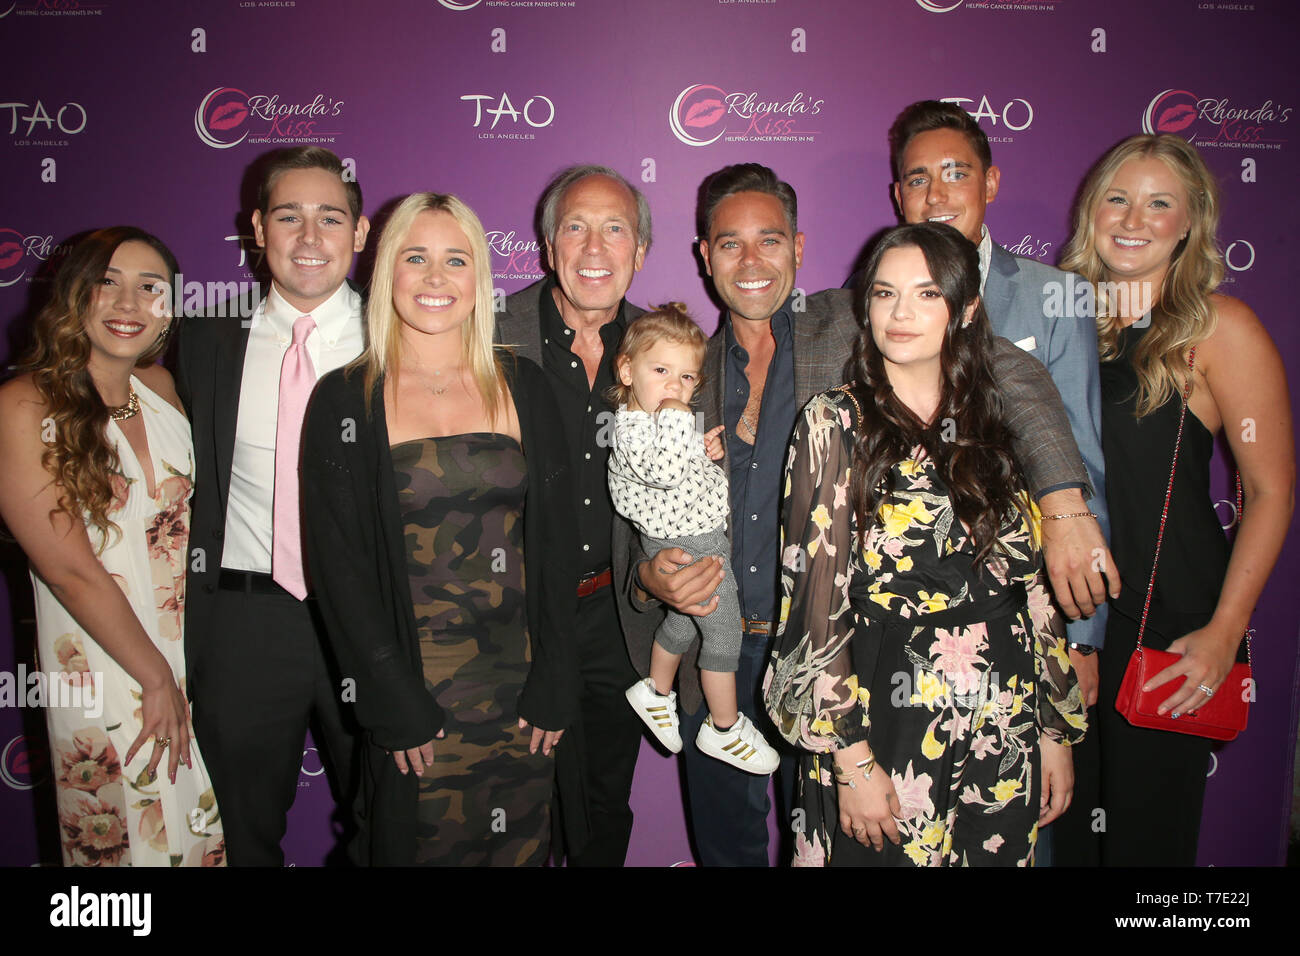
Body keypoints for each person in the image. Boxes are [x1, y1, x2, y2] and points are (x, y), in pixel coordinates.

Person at [632, 163, 1108, 866]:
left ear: (800, 248)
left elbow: (1006, 370)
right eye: (728, 243)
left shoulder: (852, 319)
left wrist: (1066, 504)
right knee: (729, 850)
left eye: (771, 240)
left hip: (849, 651)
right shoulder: (674, 368)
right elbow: (630, 500)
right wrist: (649, 575)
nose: (751, 260)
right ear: (703, 256)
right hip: (726, 653)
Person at [767, 222, 1086, 866]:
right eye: (884, 294)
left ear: (966, 309)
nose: (901, 313)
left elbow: (1033, 586)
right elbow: (812, 600)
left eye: (926, 294)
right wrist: (851, 761)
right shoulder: (835, 420)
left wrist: (1054, 728)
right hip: (885, 706)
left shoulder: (996, 414)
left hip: (1004, 708)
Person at [300, 192, 580, 865]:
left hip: (519, 693)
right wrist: (390, 697)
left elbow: (556, 544)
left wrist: (556, 676)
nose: (434, 277)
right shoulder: (345, 397)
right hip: (414, 696)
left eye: (455, 260)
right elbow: (338, 568)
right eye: (415, 257)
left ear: (479, 278)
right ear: (386, 270)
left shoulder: (524, 386)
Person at [1053, 135, 1293, 866]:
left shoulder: (1220, 329)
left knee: (1145, 848)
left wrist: (1227, 629)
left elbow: (1270, 490)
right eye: (1118, 198)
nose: (1134, 218)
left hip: (1171, 626)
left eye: (1160, 203)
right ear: (1093, 211)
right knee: (1059, 834)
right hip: (1063, 617)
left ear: (1190, 224)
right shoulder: (1058, 321)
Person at [0, 227, 225, 866]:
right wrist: (154, 677)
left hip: (186, 662)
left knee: (193, 835)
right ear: (75, 295)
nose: (129, 303)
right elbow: (68, 569)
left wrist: (179, 674)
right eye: (108, 282)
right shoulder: (22, 403)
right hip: (104, 666)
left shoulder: (160, 389)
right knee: (123, 847)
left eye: (150, 288)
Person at [173, 147, 367, 865]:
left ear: (361, 232)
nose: (309, 238)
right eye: (289, 216)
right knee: (238, 837)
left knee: (388, 828)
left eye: (330, 217)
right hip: (245, 625)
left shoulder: (402, 338)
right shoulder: (201, 342)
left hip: (369, 622)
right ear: (257, 228)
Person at [494, 164, 652, 866]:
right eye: (576, 228)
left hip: (618, 618)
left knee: (599, 810)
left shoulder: (669, 350)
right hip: (510, 618)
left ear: (640, 252)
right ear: (547, 246)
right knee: (513, 805)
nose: (595, 249)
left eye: (614, 229)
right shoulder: (488, 337)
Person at [610, 305, 779, 774]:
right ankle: (723, 729)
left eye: (686, 378)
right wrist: (682, 421)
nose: (674, 387)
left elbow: (682, 470)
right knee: (724, 633)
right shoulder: (631, 427)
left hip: (697, 535)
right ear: (627, 370)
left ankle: (654, 691)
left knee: (683, 625)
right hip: (689, 542)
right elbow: (664, 473)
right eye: (660, 370)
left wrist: (705, 449)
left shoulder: (653, 423)